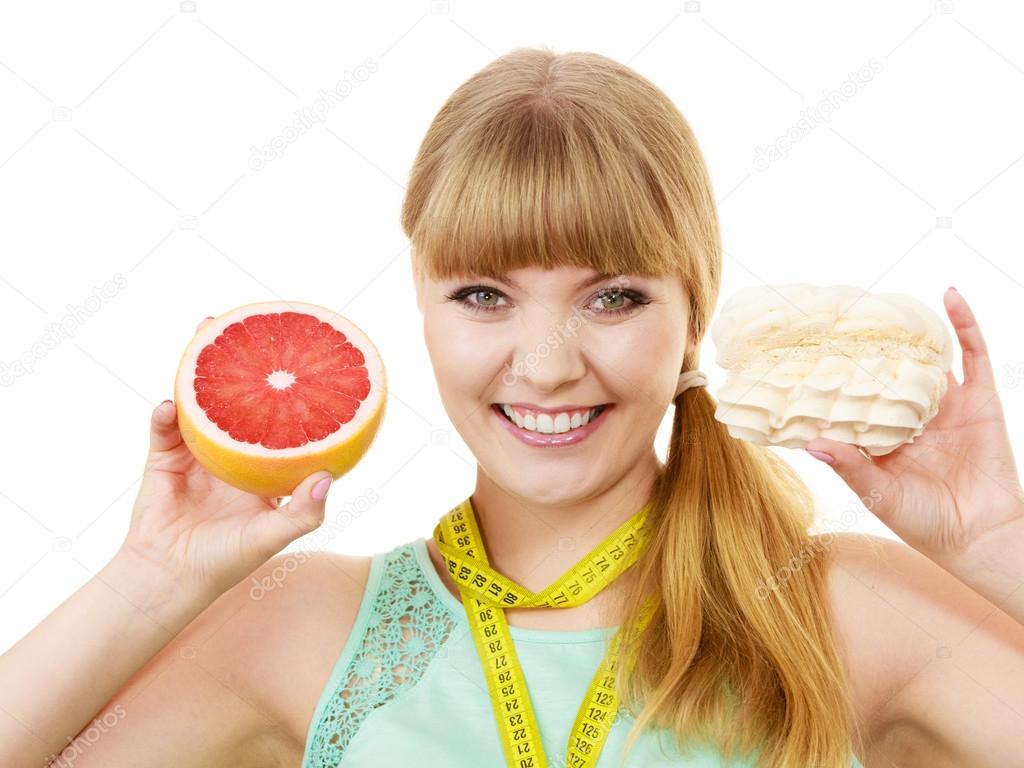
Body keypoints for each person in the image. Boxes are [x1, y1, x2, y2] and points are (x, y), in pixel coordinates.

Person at [2, 46, 1023, 768]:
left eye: (613, 297)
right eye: (482, 295)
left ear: (691, 314)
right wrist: (147, 582)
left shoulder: (838, 608)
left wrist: (996, 546)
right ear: (420, 303)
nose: (543, 366)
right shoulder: (306, 627)